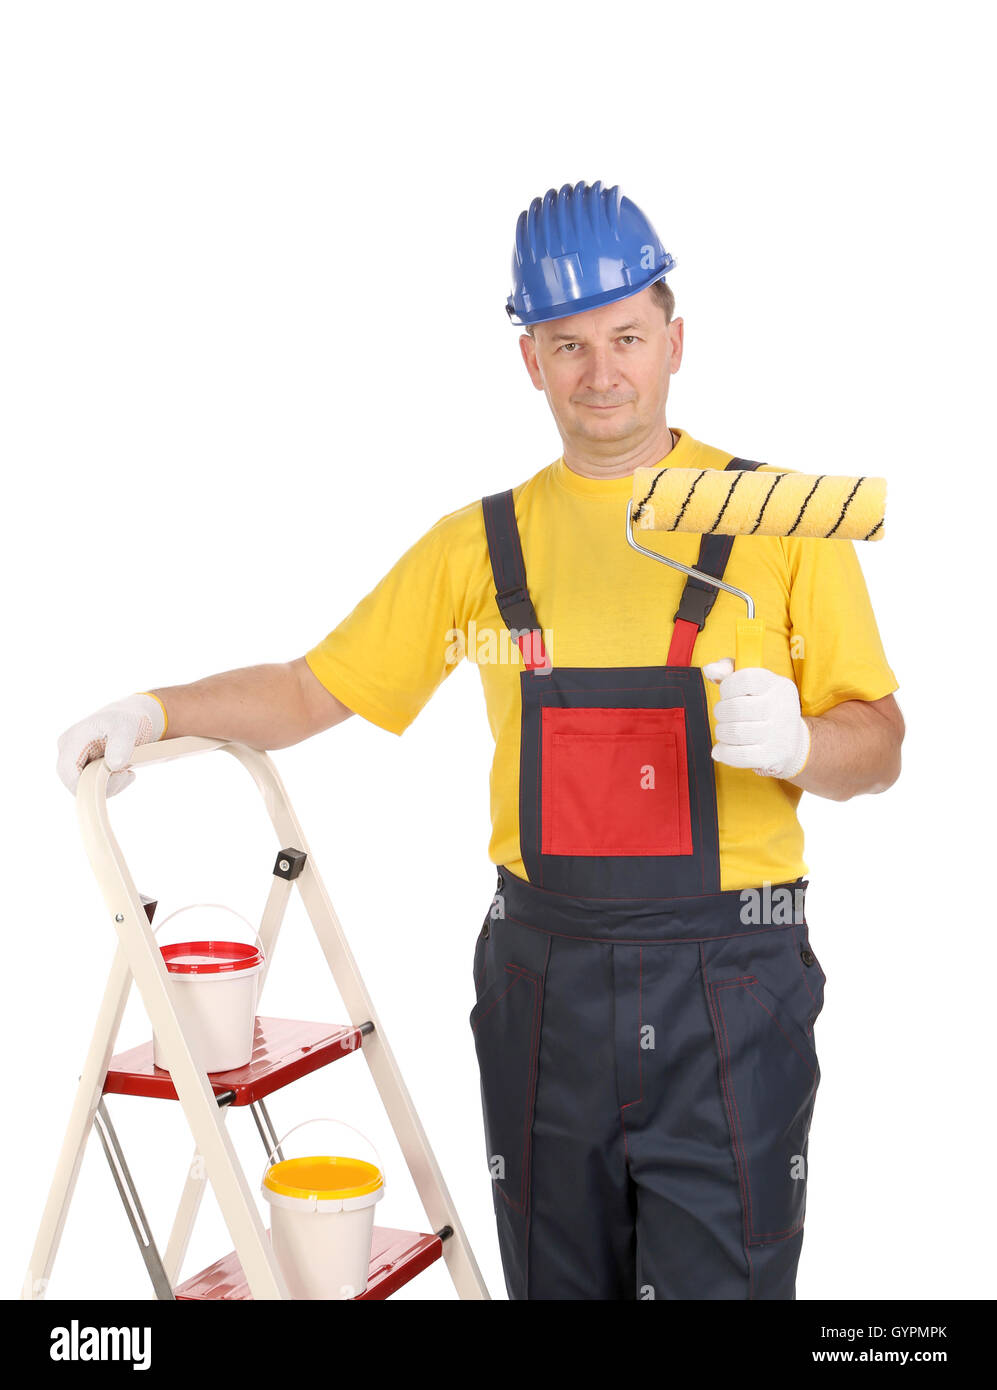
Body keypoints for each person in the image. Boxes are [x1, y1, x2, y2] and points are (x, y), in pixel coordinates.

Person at [57, 180, 904, 1301]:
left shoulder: (783, 516)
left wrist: (801, 743)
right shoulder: (478, 546)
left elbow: (881, 744)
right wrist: (155, 709)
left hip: (729, 983)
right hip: (540, 983)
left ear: (675, 340)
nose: (602, 373)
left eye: (627, 338)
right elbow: (314, 689)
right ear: (530, 360)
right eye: (568, 345)